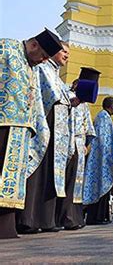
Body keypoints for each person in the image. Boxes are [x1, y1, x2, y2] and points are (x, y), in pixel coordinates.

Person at [1, 29, 63, 239]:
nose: (44, 61)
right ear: (34, 45)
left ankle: (5, 227)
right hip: (2, 123)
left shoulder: (32, 66)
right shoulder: (6, 47)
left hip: (21, 130)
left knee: (11, 181)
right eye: (44, 56)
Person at [16, 40, 73, 235]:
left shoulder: (56, 74)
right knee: (39, 173)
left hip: (57, 132)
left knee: (51, 174)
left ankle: (46, 219)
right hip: (44, 125)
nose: (66, 55)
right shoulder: (42, 68)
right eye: (64, 51)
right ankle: (28, 219)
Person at [56, 69, 98, 231]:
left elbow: (89, 128)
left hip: (80, 146)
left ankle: (75, 216)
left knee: (77, 184)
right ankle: (65, 217)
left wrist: (87, 145)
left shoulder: (84, 104)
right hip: (69, 145)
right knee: (68, 182)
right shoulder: (67, 98)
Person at [83, 97, 113, 225]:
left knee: (103, 188)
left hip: (103, 157)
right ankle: (96, 217)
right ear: (111, 106)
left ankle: (102, 216)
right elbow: (103, 139)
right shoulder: (103, 117)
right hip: (102, 158)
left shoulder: (104, 116)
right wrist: (108, 157)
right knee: (100, 187)